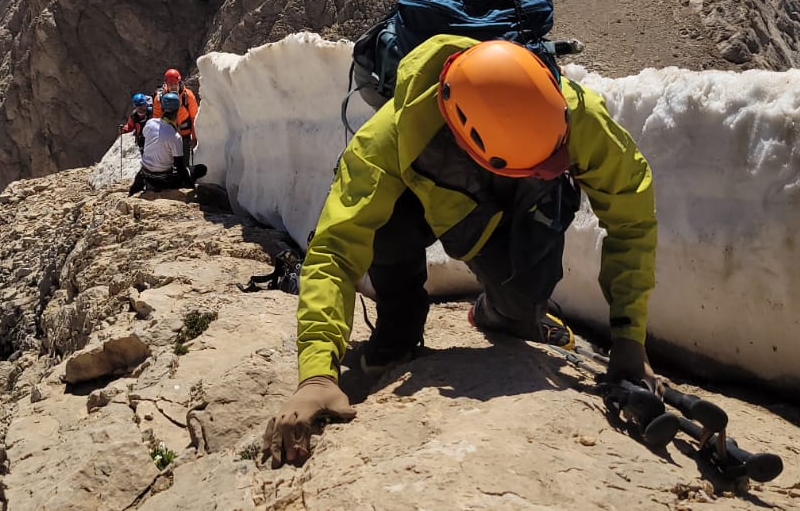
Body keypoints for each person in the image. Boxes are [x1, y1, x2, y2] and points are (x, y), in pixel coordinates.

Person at [263, 34, 659, 467]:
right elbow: (335, 249)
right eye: (547, 160)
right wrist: (317, 374)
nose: (560, 159)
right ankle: (397, 332)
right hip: (431, 202)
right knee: (384, 225)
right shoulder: (388, 138)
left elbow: (631, 216)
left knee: (522, 302)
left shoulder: (574, 115)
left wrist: (629, 338)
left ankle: (497, 311)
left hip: (504, 205)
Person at [129, 91, 208, 194]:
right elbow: (180, 168)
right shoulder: (175, 136)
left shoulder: (150, 123)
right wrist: (191, 186)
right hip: (164, 180)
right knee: (200, 169)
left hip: (145, 175)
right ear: (177, 110)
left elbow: (147, 138)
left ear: (162, 108)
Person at [157, 68, 200, 163]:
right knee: (168, 163)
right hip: (168, 135)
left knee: (184, 163)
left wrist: (195, 137)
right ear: (166, 84)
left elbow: (194, 118)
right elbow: (156, 119)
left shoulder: (188, 96)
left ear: (179, 83)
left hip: (185, 135)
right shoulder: (160, 98)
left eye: (175, 84)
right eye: (170, 84)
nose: (173, 87)